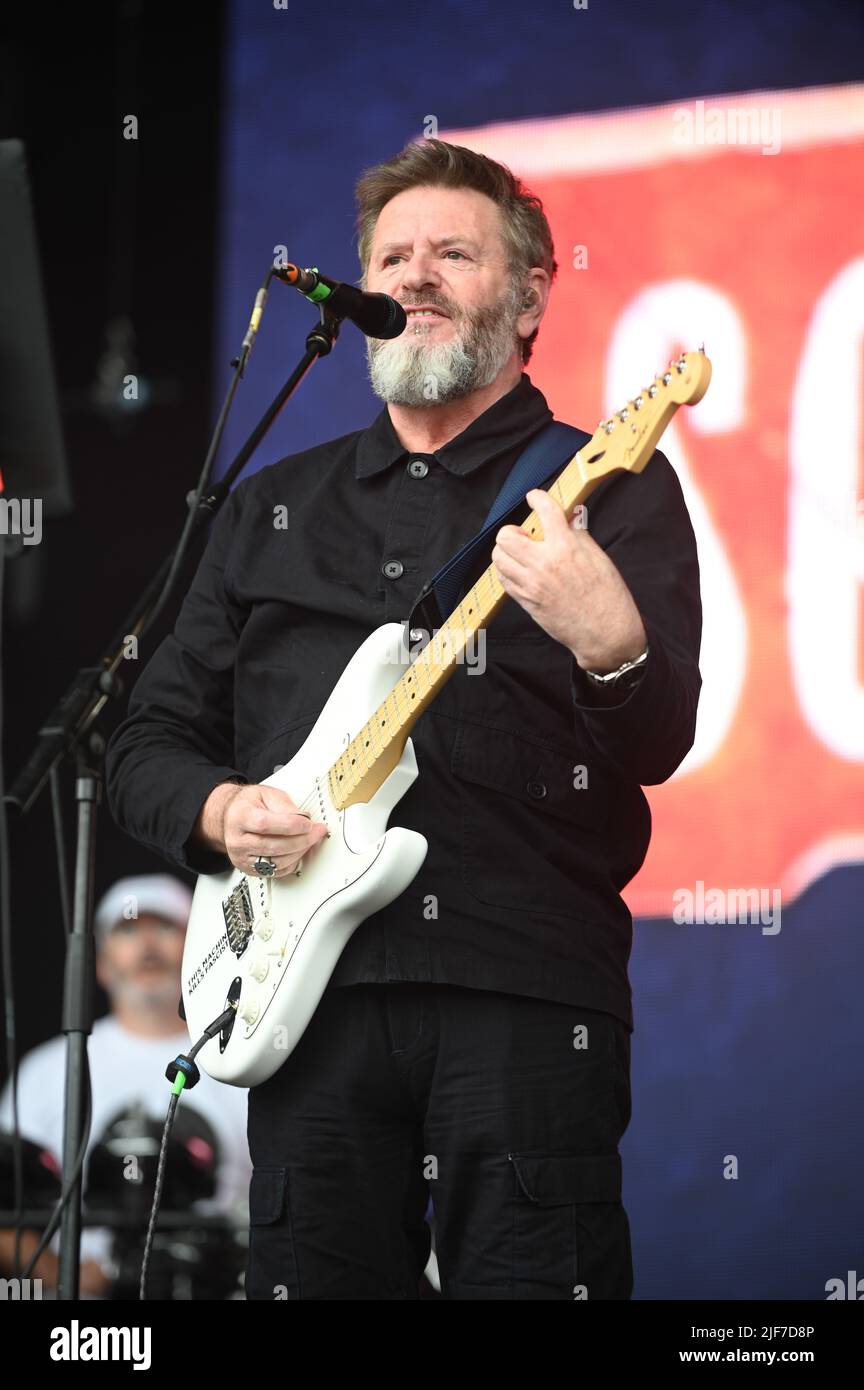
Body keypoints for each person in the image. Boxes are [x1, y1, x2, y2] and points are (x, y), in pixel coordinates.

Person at [104, 139, 702, 1300]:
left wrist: (609, 641)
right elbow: (143, 746)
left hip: (521, 997)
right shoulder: (272, 507)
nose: (416, 275)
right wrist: (223, 809)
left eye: (453, 253)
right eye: (394, 256)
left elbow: (659, 738)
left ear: (531, 294)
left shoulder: (605, 482)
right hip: (302, 1001)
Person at [0, 873, 251, 1295]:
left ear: (200, 948)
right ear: (99, 962)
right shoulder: (50, 1069)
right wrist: (64, 1275)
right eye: (129, 929)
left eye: (167, 927)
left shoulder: (249, 1058)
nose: (148, 946)